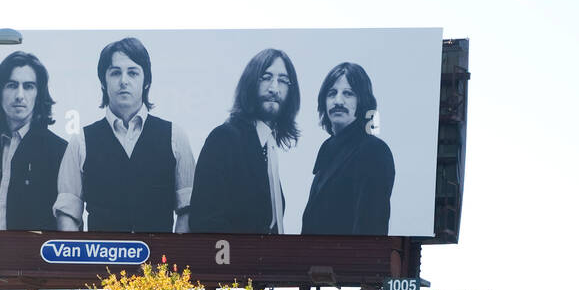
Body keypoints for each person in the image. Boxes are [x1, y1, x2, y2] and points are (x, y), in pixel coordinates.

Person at [54, 37, 195, 234]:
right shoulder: (81, 141)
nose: (123, 81)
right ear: (103, 82)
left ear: (146, 81)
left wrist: (174, 256)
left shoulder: (175, 136)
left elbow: (187, 210)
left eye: (133, 72)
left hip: (157, 262)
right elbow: (68, 213)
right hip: (100, 260)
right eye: (115, 73)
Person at [190, 48, 301, 234]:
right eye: (266, 77)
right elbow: (205, 221)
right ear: (250, 83)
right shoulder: (224, 139)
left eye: (283, 80)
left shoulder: (268, 147)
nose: (274, 88)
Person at [0, 51, 68, 231]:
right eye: (11, 85)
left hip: (34, 256)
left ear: (39, 94)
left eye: (28, 86)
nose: (19, 95)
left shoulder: (59, 152)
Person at [300, 62, 395, 235]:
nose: (338, 101)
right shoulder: (328, 152)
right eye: (332, 93)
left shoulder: (373, 151)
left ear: (362, 101)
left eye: (348, 93)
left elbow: (370, 229)